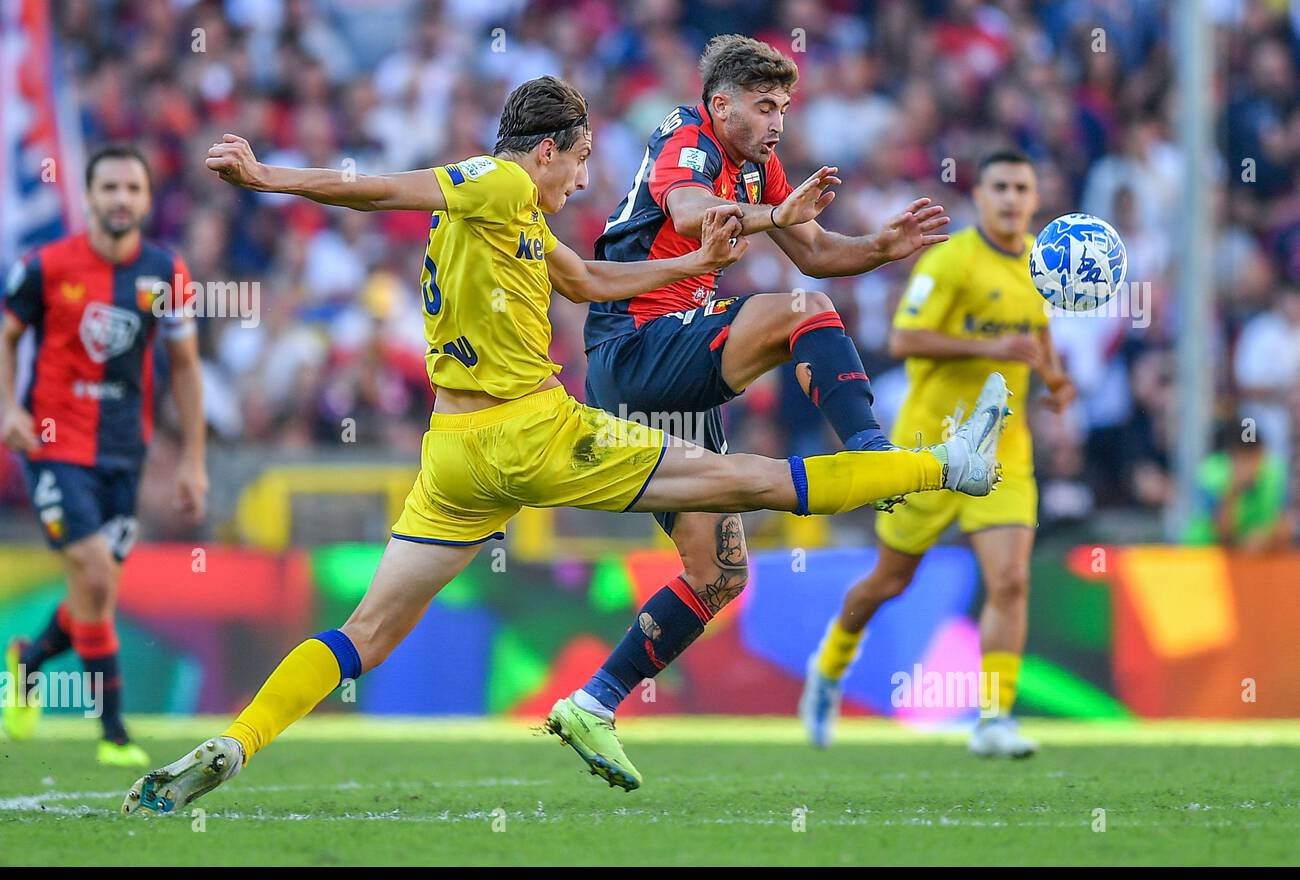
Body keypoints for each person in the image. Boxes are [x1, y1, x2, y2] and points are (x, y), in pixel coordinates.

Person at [122, 76, 1006, 813]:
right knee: (754, 480)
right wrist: (264, 176)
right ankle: (942, 464)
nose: (583, 182)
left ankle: (239, 742)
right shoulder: (500, 183)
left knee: (366, 631)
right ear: (545, 149)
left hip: (453, 454)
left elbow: (583, 278)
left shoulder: (507, 219)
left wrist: (690, 270)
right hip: (536, 432)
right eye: (580, 162)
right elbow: (380, 187)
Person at [572, 34, 951, 758]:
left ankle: (595, 703)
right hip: (637, 345)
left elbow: (817, 251)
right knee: (799, 312)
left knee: (719, 575)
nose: (778, 120)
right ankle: (871, 453)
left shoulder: (760, 168)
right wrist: (777, 218)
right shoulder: (688, 138)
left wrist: (880, 246)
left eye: (784, 106)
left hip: (659, 384)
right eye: (764, 105)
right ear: (722, 104)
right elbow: (689, 215)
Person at [800, 149, 1074, 758]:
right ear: (980, 197)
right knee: (890, 580)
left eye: (1021, 188)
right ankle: (830, 667)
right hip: (934, 451)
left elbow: (1036, 334)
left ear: (1034, 199)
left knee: (1010, 579)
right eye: (998, 186)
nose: (1009, 198)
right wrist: (993, 347)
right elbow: (902, 336)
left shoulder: (1042, 262)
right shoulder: (950, 262)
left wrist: (1056, 381)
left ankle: (994, 719)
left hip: (1006, 454)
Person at [0, 144, 208, 766]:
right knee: (92, 573)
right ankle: (114, 733)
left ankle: (28, 660)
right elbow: (7, 338)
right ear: (88, 197)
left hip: (124, 451)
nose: (120, 199)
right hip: (53, 444)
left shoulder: (166, 274)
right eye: (109, 188)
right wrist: (10, 408)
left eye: (131, 189)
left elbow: (186, 366)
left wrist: (193, 459)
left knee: (99, 592)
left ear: (147, 200)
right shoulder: (42, 267)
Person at [1183, 422, 1291, 550]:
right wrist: (1233, 490)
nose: (1249, 465)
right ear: (1230, 455)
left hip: (1251, 560)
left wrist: (1265, 537)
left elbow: (1284, 526)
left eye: (1253, 455)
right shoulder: (1211, 474)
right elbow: (1221, 533)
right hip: (1204, 555)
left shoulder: (1274, 474)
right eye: (1243, 457)